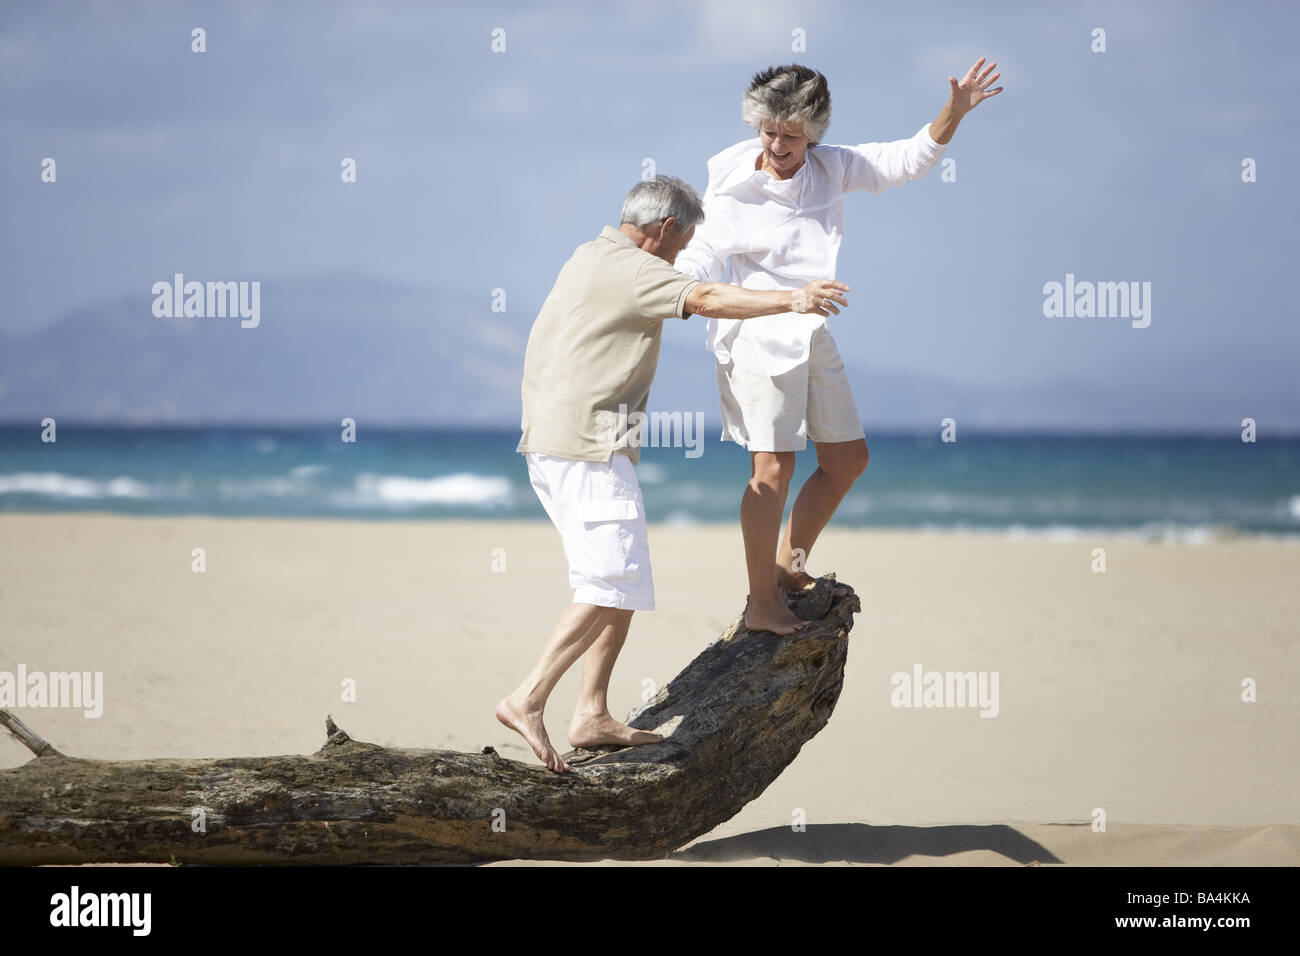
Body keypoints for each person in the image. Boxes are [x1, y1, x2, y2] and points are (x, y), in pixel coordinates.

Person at [498, 175, 850, 773]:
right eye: (682, 244)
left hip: (561, 441)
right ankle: (527, 699)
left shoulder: (589, 255)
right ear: (663, 229)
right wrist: (793, 299)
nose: (680, 257)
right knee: (611, 579)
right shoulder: (637, 269)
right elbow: (707, 297)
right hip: (588, 447)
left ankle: (591, 712)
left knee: (624, 579)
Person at [673, 59, 1003, 635]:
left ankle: (788, 565)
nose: (778, 145)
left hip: (811, 330)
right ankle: (761, 603)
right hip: (756, 335)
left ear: (814, 134)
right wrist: (678, 285)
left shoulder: (833, 167)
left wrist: (954, 111)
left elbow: (907, 160)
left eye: (791, 136)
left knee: (848, 460)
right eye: (769, 131)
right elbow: (700, 258)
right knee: (772, 468)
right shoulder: (731, 184)